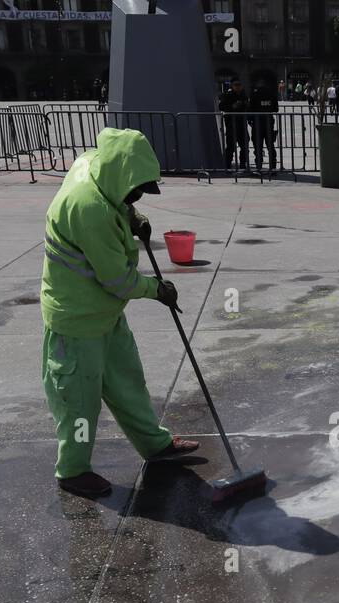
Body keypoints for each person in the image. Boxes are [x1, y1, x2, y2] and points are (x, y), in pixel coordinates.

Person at [40, 127, 199, 498]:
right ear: (121, 176)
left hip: (104, 314)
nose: (138, 195)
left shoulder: (95, 165)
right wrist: (157, 290)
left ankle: (154, 445)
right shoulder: (89, 208)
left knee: (127, 382)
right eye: (136, 190)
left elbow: (116, 198)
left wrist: (131, 215)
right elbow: (119, 281)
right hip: (76, 320)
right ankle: (73, 470)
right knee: (78, 401)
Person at [218, 80, 250, 170]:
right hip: (231, 124)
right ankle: (227, 165)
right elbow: (221, 107)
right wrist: (232, 106)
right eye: (236, 85)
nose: (238, 87)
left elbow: (247, 108)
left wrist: (247, 106)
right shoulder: (228, 95)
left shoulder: (244, 95)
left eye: (239, 84)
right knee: (230, 147)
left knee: (244, 146)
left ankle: (243, 164)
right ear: (232, 86)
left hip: (242, 124)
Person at [249, 81, 280, 173]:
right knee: (270, 146)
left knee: (258, 147)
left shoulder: (254, 94)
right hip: (269, 122)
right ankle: (273, 168)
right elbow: (276, 109)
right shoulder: (271, 94)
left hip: (257, 123)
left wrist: (250, 120)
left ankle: (259, 167)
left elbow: (250, 109)